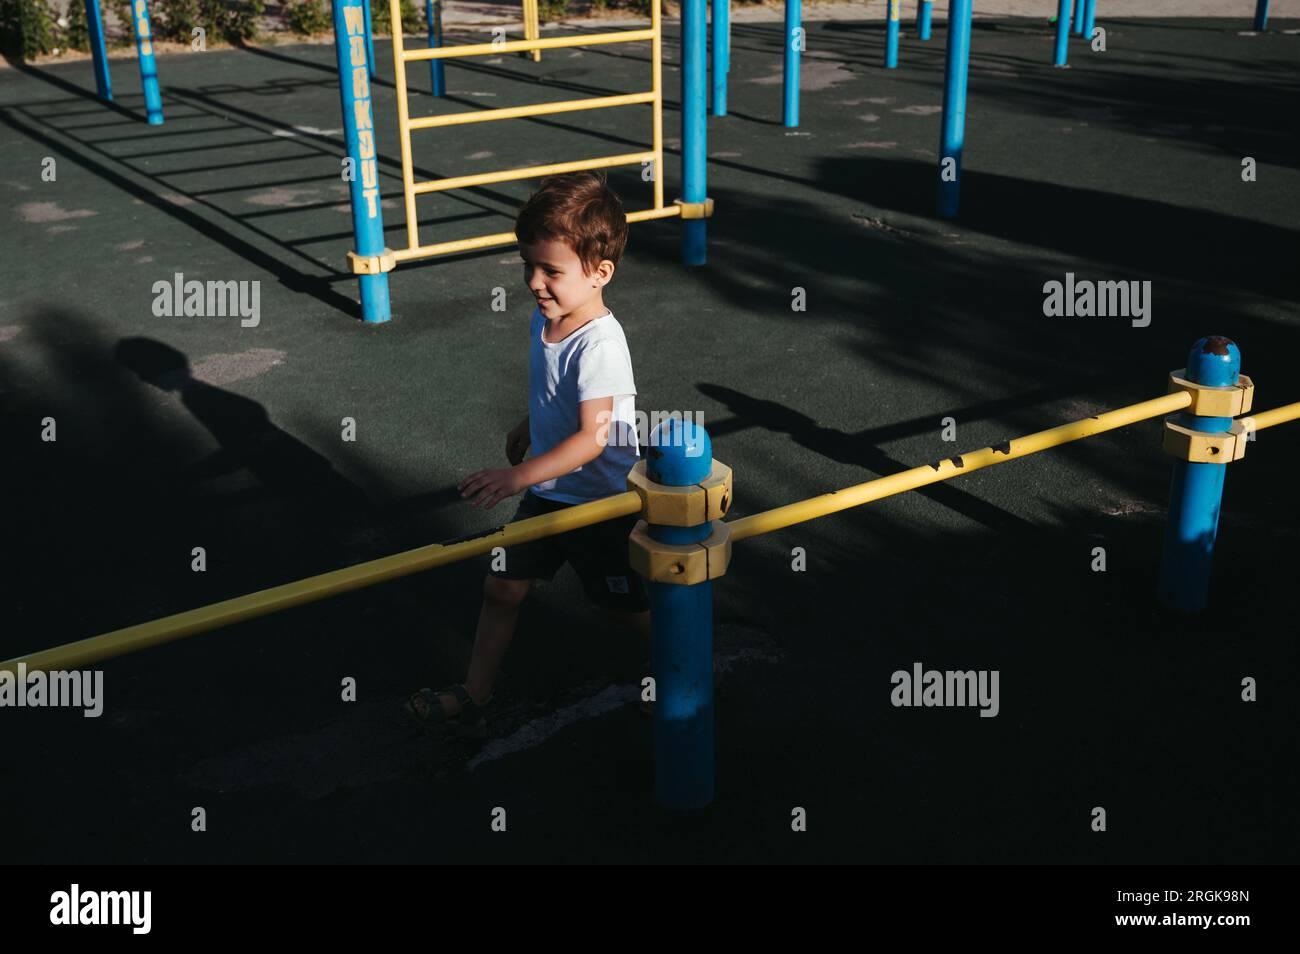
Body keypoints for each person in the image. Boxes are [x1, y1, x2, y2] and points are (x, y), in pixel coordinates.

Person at [406, 172, 651, 739]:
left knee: (623, 605)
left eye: (551, 272)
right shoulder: (552, 317)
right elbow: (560, 398)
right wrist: (530, 421)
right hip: (550, 492)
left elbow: (594, 437)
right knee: (502, 586)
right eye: (528, 267)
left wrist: (518, 475)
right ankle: (475, 693)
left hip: (597, 503)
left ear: (600, 273)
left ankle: (682, 672)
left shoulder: (600, 344)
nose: (535, 283)